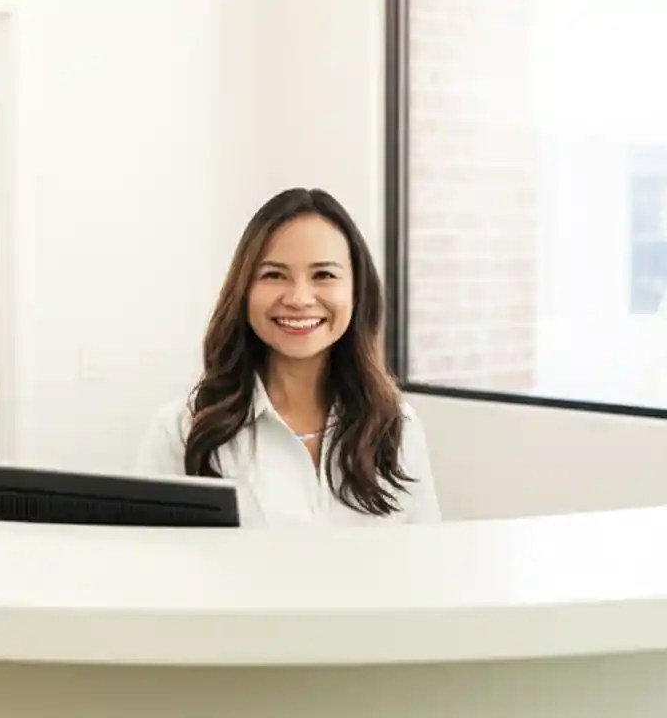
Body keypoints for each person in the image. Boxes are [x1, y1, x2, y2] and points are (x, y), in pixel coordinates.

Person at [136, 188, 440, 527]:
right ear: (244, 290)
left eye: (324, 275)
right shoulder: (182, 429)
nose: (299, 298)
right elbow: (155, 566)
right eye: (274, 275)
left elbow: (423, 561)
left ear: (357, 292)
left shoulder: (397, 426)